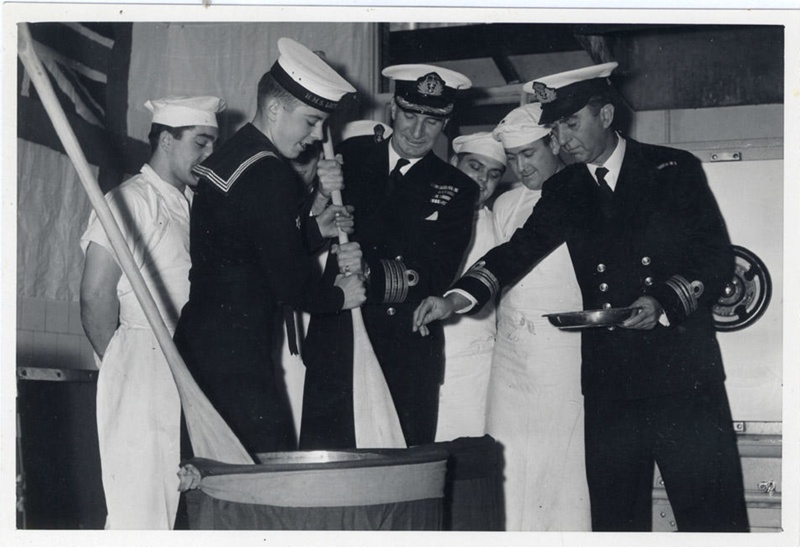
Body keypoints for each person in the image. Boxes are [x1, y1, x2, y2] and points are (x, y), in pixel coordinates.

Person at [414, 62, 749, 532]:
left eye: (572, 124)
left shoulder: (671, 168)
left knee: (711, 517)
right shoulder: (567, 188)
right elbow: (518, 250)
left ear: (607, 114)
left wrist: (663, 303)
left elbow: (713, 259)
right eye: (557, 127)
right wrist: (457, 299)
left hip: (682, 378)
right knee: (616, 522)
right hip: (611, 384)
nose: (564, 138)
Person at [173, 37, 365, 457]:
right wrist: (338, 295)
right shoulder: (269, 172)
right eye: (311, 121)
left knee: (209, 474)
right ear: (275, 109)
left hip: (206, 341)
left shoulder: (236, 156)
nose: (316, 136)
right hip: (237, 356)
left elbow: (244, 249)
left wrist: (316, 231)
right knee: (262, 476)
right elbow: (291, 284)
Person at [299, 64, 478, 449]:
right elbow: (300, 239)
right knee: (326, 466)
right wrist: (318, 195)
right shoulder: (349, 156)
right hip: (337, 337)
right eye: (410, 115)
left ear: (445, 123)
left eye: (431, 121)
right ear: (393, 110)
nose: (417, 131)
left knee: (394, 478)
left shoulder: (457, 188)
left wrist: (368, 272)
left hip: (404, 348)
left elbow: (437, 272)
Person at [80, 95, 225, 529]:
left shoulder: (192, 204)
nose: (209, 156)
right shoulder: (130, 200)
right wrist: (125, 362)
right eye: (201, 143)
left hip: (185, 360)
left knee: (178, 500)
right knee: (140, 506)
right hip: (143, 358)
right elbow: (94, 294)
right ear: (166, 140)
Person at [486, 103, 590, 531]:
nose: (520, 166)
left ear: (553, 143)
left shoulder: (585, 194)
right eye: (512, 158)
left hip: (563, 353)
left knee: (561, 469)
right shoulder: (506, 204)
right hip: (511, 355)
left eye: (528, 154)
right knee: (508, 461)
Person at [434, 131, 506, 441]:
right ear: (453, 164)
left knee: (466, 454)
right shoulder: (426, 214)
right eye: (474, 167)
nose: (482, 181)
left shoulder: (500, 227)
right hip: (424, 356)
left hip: (476, 363)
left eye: (493, 174)